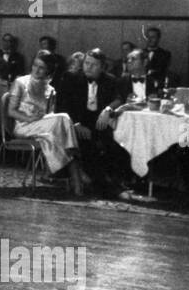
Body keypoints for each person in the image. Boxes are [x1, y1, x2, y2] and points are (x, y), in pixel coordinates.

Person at [7, 52, 84, 194]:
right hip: (23, 126)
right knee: (64, 118)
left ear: (48, 70)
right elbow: (11, 111)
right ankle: (76, 172)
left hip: (42, 126)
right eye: (35, 65)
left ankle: (71, 174)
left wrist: (43, 117)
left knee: (61, 122)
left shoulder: (50, 89)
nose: (36, 70)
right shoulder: (20, 82)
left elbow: (50, 115)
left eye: (41, 68)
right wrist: (29, 118)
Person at [56, 49, 126, 195]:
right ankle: (105, 186)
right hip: (75, 123)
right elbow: (62, 105)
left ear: (102, 67)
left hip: (98, 122)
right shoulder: (71, 78)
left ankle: (113, 181)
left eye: (94, 65)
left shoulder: (110, 80)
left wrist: (107, 109)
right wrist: (75, 124)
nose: (88, 67)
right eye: (87, 63)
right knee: (87, 144)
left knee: (118, 140)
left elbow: (118, 98)